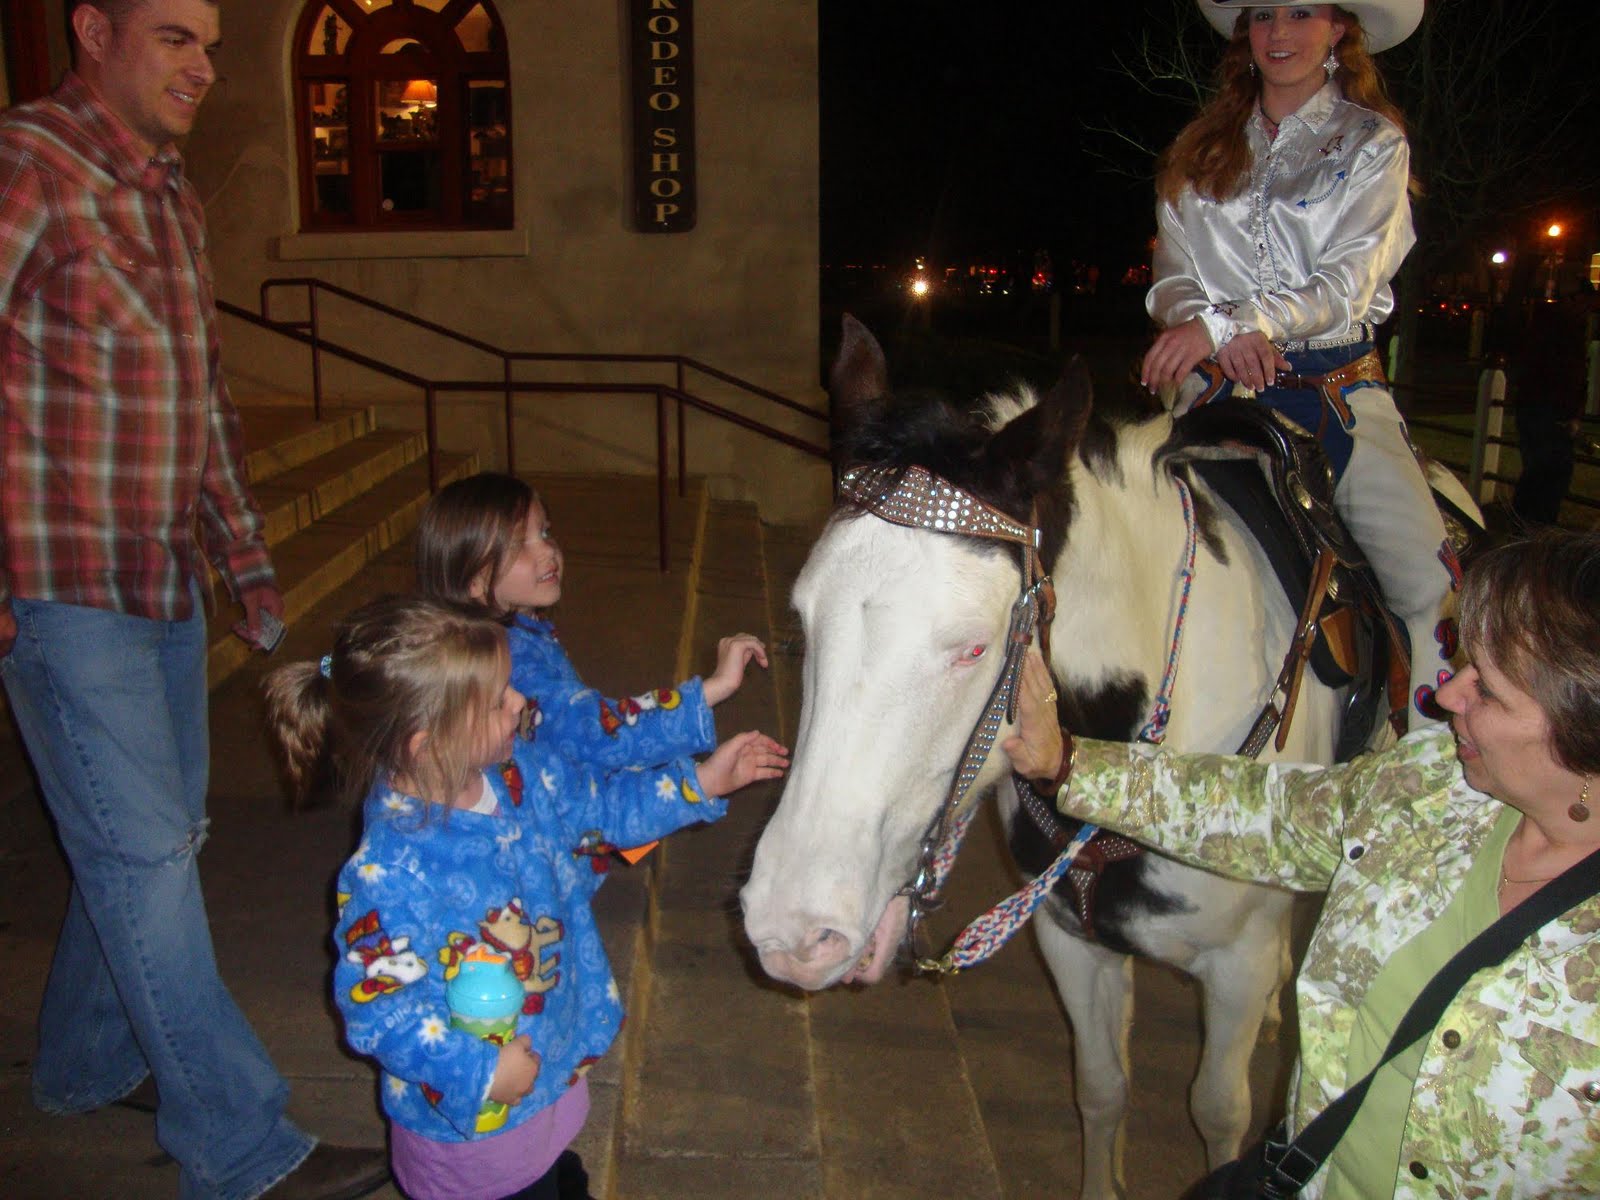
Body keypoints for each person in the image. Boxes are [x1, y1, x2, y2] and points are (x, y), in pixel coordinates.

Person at [0, 2, 385, 1196]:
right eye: (175, 36)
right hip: (61, 585)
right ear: (93, 29)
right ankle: (239, 1144)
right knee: (147, 859)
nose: (205, 66)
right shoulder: (28, 164)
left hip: (161, 581)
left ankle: (85, 1059)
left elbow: (202, 396)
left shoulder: (167, 190)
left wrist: (244, 560)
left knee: (155, 844)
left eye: (211, 44)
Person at [1004, 528, 1600, 1198]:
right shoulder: (1430, 785)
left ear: (1579, 729)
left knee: (1413, 551)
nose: (1445, 696)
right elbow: (1262, 811)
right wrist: (1066, 761)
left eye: (1486, 690)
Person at [263, 596, 788, 1200]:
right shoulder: (389, 873)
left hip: (545, 1063)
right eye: (496, 701)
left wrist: (702, 781)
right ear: (426, 744)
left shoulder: (520, 773)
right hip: (477, 1134)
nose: (518, 702)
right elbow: (380, 1013)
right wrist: (481, 1072)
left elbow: (604, 811)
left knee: (552, 1165)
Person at [1139, 0, 1457, 726]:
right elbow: (1172, 275)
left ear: (1338, 28)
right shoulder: (1199, 150)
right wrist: (1210, 329)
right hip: (1214, 396)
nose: (1279, 32)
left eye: (1301, 12)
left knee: (1429, 585)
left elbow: (1349, 283)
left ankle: (1436, 761)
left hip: (1333, 396)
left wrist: (1230, 323)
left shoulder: (1372, 143)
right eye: (1263, 15)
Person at [415, 472, 767, 783]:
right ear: (474, 581)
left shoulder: (517, 632)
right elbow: (596, 734)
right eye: (521, 543)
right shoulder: (510, 658)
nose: (548, 551)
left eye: (544, 532)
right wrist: (714, 687)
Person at [1510, 289, 1592, 527]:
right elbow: (1567, 378)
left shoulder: (1544, 333)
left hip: (1540, 411)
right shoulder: (1565, 337)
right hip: (1549, 414)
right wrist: (1570, 413)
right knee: (1549, 475)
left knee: (1539, 474)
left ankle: (1525, 526)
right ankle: (1533, 527)